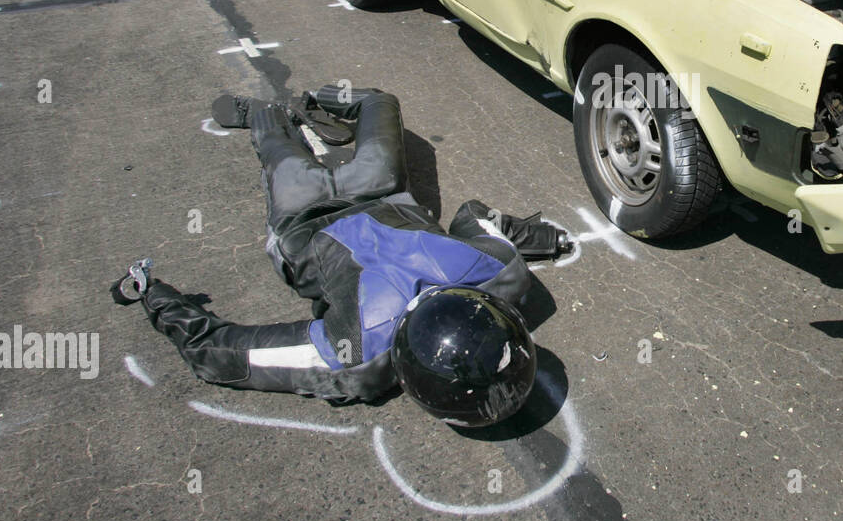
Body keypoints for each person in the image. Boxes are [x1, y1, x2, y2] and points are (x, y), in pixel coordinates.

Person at [111, 85, 571, 427]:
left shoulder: (498, 272)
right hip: (344, 204)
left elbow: (476, 215)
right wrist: (153, 294)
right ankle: (304, 104)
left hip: (323, 209)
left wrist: (540, 239)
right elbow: (219, 352)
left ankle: (268, 114)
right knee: (350, 116)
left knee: (349, 113)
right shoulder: (361, 353)